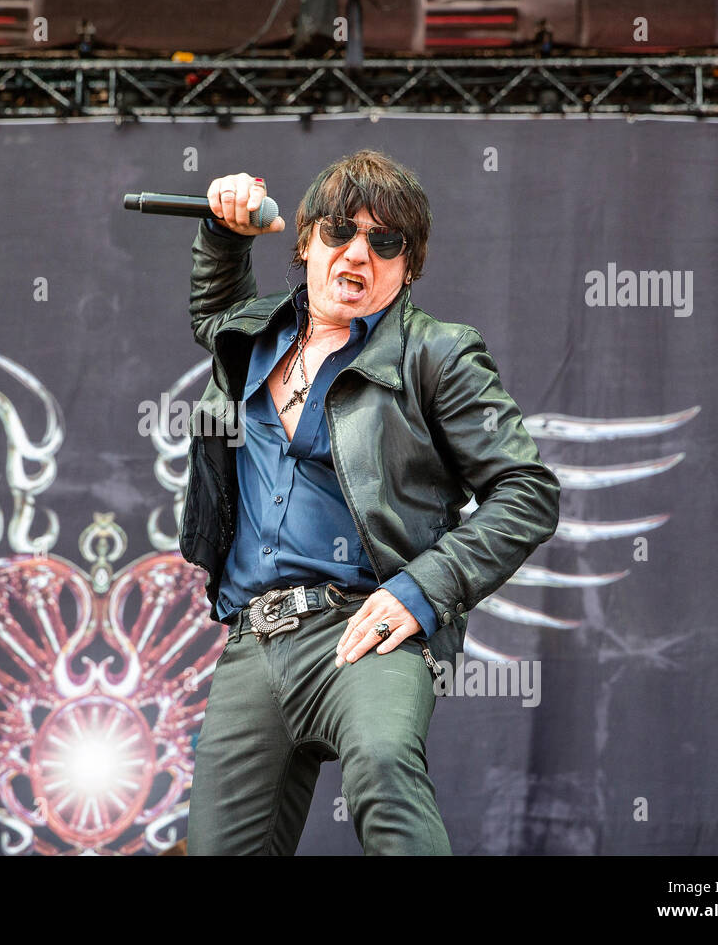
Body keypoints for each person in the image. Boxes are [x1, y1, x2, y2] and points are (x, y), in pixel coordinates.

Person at [178, 148, 561, 855]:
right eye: (338, 232)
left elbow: (527, 492)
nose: (358, 254)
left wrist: (421, 591)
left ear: (408, 266)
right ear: (305, 243)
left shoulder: (437, 353)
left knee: (385, 767)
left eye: (386, 243)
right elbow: (214, 307)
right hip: (253, 643)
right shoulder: (251, 335)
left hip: (365, 629)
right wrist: (226, 226)